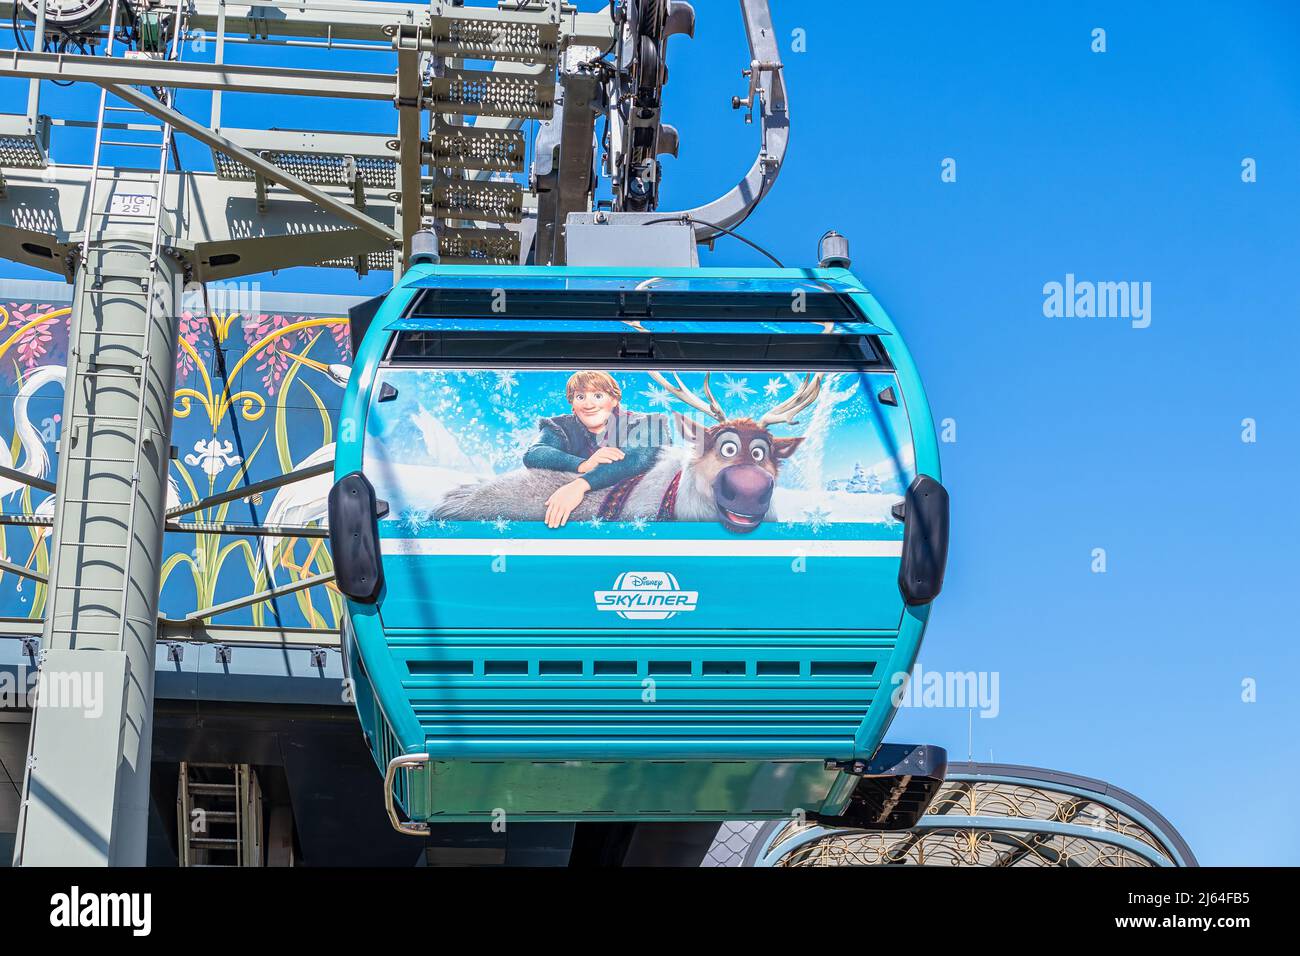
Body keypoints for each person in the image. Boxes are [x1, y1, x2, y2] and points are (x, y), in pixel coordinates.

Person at [524, 370, 668, 527]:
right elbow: (534, 453)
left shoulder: (648, 423)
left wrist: (580, 485)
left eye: (598, 396)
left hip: (645, 515)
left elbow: (637, 458)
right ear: (572, 403)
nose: (588, 404)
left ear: (614, 399)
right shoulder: (560, 426)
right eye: (580, 397)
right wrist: (583, 464)